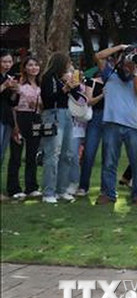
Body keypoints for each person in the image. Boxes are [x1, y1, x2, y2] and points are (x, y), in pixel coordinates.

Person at [95, 44, 137, 205]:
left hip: (133, 125)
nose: (131, 59)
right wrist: (120, 48)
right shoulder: (109, 73)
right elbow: (98, 56)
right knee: (109, 161)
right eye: (129, 56)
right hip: (112, 123)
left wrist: (134, 73)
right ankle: (108, 194)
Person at [39, 52, 82, 204]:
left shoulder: (65, 77)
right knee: (53, 154)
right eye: (67, 62)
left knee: (68, 153)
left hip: (67, 114)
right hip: (53, 115)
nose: (69, 65)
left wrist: (73, 86)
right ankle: (48, 191)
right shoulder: (48, 77)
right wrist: (64, 89)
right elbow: (48, 99)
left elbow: (77, 97)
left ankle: (61, 189)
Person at [8, 56, 42, 199]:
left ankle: (31, 186)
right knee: (16, 155)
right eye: (30, 65)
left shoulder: (41, 85)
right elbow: (12, 105)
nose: (33, 68)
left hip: (36, 119)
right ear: (25, 68)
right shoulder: (19, 83)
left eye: (36, 65)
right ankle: (14, 188)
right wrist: (15, 126)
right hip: (20, 118)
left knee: (32, 155)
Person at [77, 69, 105, 197]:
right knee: (89, 153)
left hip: (110, 118)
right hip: (96, 117)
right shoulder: (91, 82)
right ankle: (83, 186)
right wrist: (102, 95)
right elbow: (89, 100)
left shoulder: (115, 82)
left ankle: (106, 188)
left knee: (108, 155)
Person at [0, 50, 18, 178]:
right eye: (4, 61)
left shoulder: (9, 77)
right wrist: (4, 85)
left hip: (7, 118)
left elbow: (12, 102)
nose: (7, 64)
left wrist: (15, 91)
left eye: (9, 62)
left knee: (2, 153)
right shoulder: (5, 80)